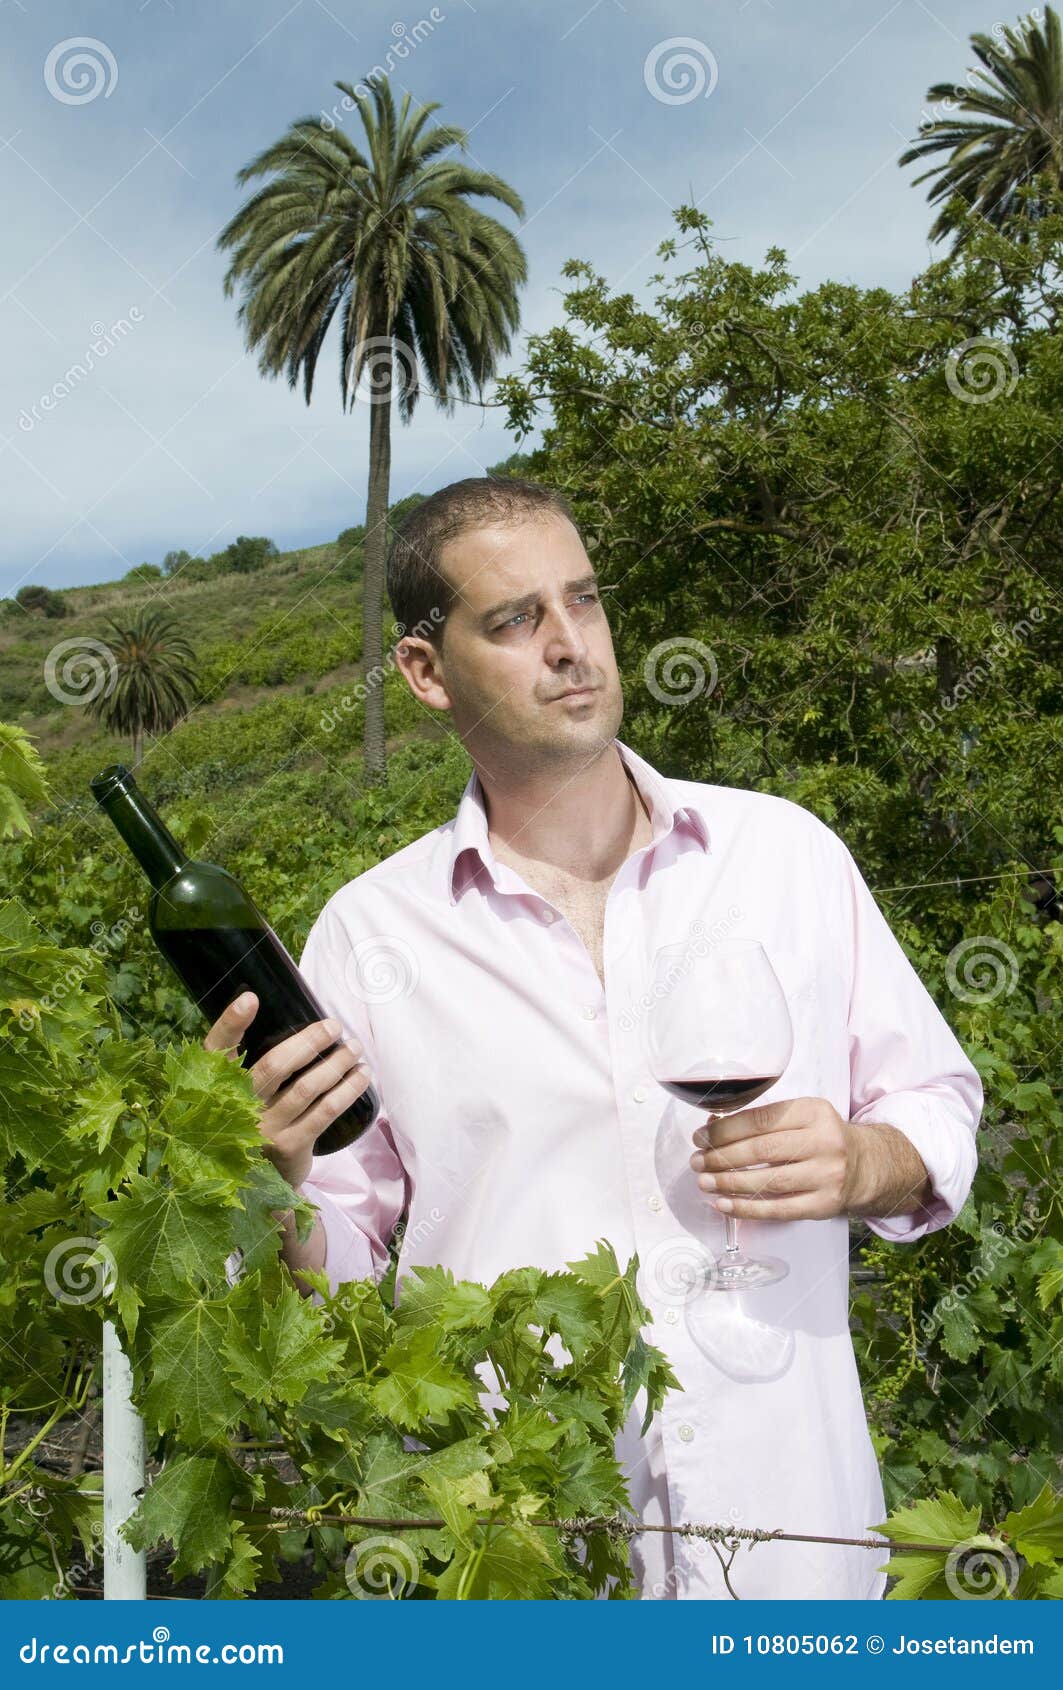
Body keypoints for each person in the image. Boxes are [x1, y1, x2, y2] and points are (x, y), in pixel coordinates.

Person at [204, 476, 982, 1600]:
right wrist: (275, 1190)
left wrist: (870, 1160)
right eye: (515, 620)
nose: (570, 645)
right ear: (425, 672)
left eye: (584, 602)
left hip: (794, 1545)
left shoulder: (784, 856)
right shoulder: (369, 931)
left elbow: (937, 1101)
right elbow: (345, 1281)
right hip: (530, 1565)